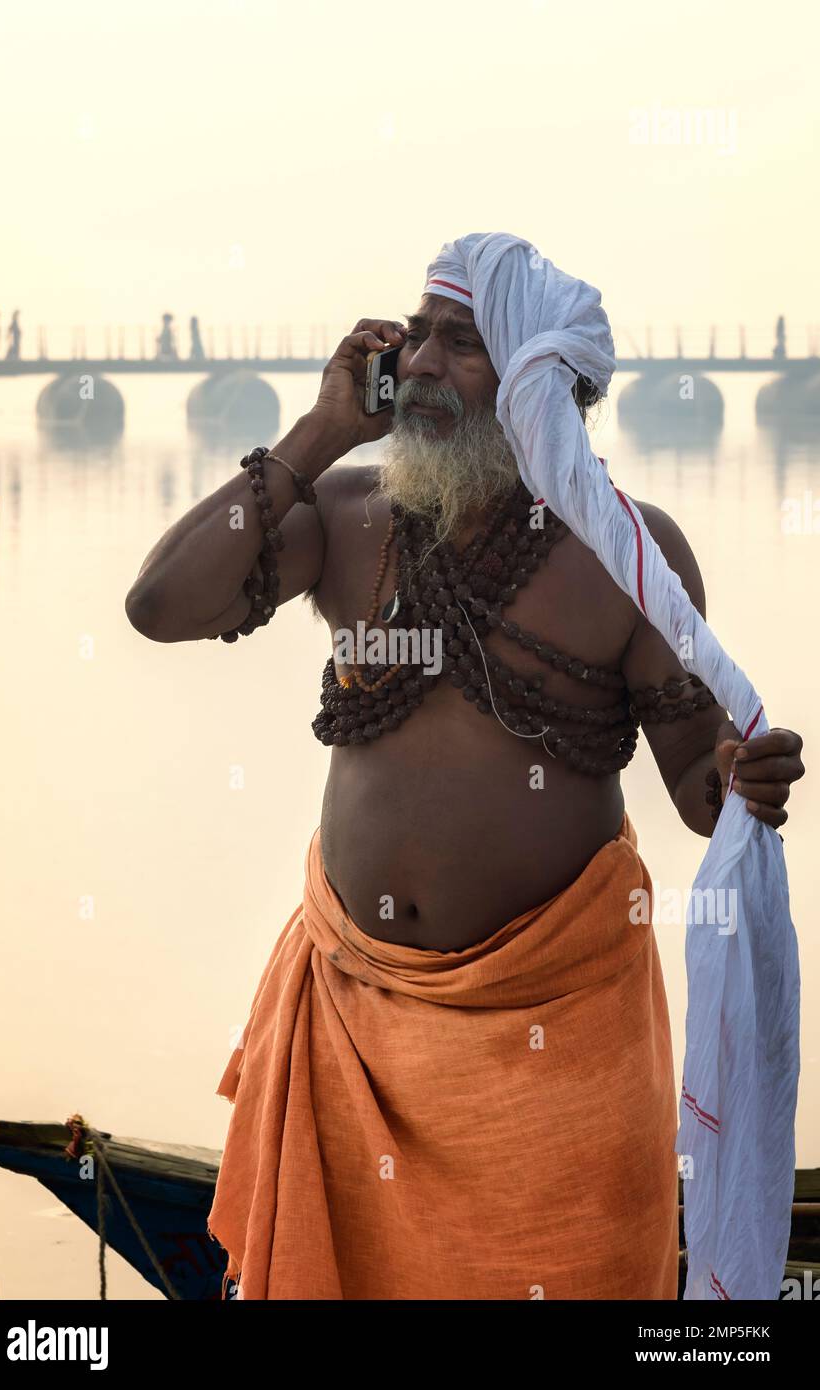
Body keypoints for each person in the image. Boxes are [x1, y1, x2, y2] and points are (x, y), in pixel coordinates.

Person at [125, 234, 804, 1301]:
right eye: (419, 337)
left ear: (540, 376)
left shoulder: (630, 554)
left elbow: (695, 785)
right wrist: (315, 432)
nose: (426, 364)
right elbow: (159, 606)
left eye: (463, 343)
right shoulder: (346, 518)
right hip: (349, 1038)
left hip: (558, 1061)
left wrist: (735, 780)